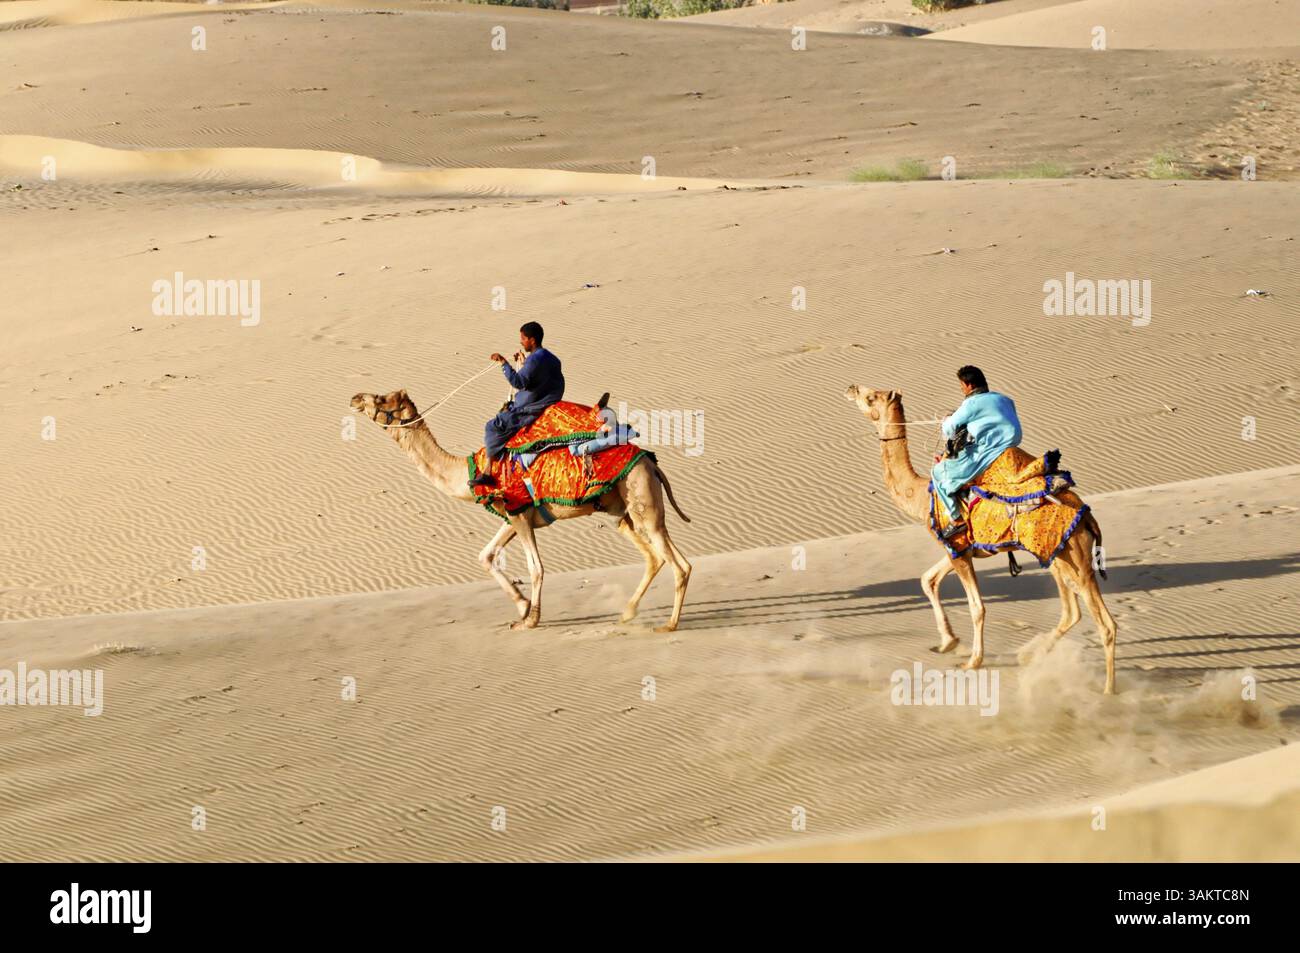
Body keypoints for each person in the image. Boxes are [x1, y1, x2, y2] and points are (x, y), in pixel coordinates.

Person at [469, 322, 565, 488]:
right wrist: (525, 363)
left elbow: (518, 382)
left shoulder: (536, 360)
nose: (521, 342)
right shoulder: (551, 358)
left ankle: (488, 471)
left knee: (493, 426)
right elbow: (539, 377)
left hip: (530, 409)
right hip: (542, 400)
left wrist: (503, 363)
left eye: (523, 339)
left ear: (532, 340)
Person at [931, 365, 1022, 540]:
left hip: (989, 451)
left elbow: (949, 431)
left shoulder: (970, 403)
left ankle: (956, 519)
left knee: (938, 473)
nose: (961, 390)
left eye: (962, 386)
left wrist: (946, 421)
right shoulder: (1005, 399)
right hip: (1013, 445)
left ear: (969, 385)